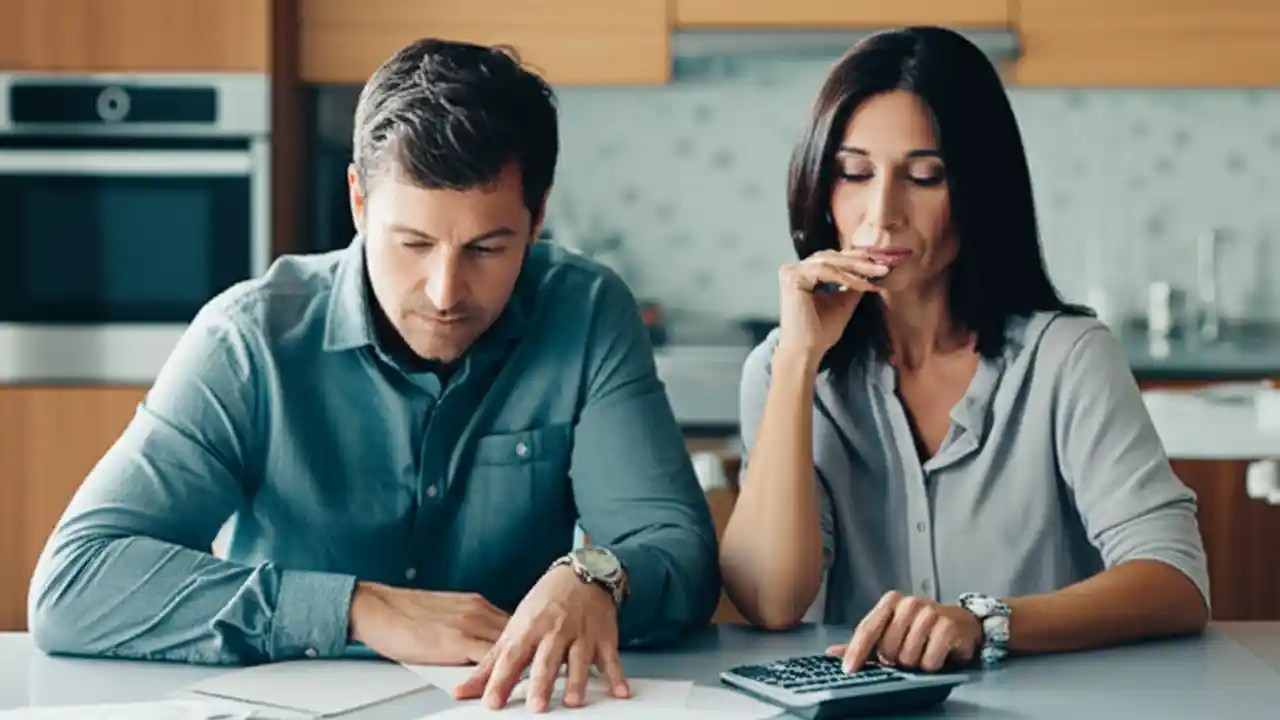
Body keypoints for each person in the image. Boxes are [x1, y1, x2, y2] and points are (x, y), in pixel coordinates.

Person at [29, 38, 719, 712]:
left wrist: (594, 577)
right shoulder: (248, 342)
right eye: (413, 243)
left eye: (486, 247)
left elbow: (679, 554)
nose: (446, 291)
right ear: (359, 202)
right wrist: (357, 607)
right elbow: (74, 587)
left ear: (537, 219)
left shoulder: (586, 311)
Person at [719, 26, 1209, 674]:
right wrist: (796, 364)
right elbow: (771, 602)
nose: (882, 212)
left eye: (925, 176)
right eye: (854, 173)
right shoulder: (785, 369)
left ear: (980, 191)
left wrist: (986, 623)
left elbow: (1175, 581)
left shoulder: (1067, 358)